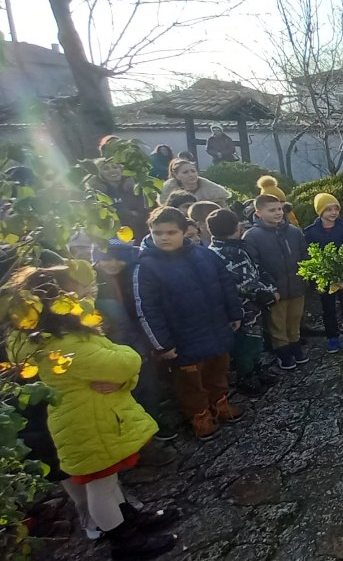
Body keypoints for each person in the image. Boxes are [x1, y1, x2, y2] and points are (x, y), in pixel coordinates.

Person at [8, 265, 177, 558]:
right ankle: (125, 543)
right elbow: (123, 362)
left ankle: (130, 521)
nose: (84, 295)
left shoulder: (42, 338)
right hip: (88, 424)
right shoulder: (65, 344)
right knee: (100, 487)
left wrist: (120, 372)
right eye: (77, 291)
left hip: (90, 418)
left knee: (108, 483)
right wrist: (126, 358)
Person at [133, 206, 245, 441]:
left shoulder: (204, 255)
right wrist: (162, 345)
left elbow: (226, 284)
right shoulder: (146, 267)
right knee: (190, 384)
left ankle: (219, 403)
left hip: (215, 328)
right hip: (183, 339)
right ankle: (199, 416)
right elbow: (146, 309)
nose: (164, 238)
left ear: (184, 231)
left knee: (218, 371)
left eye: (171, 232)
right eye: (158, 232)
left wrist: (234, 313)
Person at [93, 239, 176, 442]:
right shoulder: (93, 285)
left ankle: (153, 421)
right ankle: (137, 433)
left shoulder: (135, 276)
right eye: (107, 259)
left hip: (142, 344)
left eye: (119, 259)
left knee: (149, 386)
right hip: (115, 348)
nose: (113, 264)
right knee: (128, 393)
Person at [207, 209, 280, 397]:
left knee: (254, 341)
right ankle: (247, 378)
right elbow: (247, 283)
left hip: (242, 309)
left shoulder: (215, 250)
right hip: (245, 309)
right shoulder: (233, 252)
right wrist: (270, 294)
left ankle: (257, 370)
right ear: (236, 226)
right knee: (247, 344)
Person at [243, 194, 309, 370]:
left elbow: (305, 255)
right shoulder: (252, 236)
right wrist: (270, 288)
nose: (278, 213)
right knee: (277, 324)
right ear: (259, 212)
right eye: (271, 210)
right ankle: (283, 352)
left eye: (279, 209)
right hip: (275, 292)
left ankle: (296, 347)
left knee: (294, 320)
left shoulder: (294, 231)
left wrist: (305, 277)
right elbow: (254, 266)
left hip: (296, 286)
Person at [303, 193, 343, 354]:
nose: (333, 212)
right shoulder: (310, 232)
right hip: (324, 277)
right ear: (320, 212)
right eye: (328, 209)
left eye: (336, 209)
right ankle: (332, 336)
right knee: (328, 308)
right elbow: (308, 254)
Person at [92, 158, 150, 242]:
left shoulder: (135, 187)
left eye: (115, 167)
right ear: (99, 174)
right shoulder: (97, 193)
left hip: (142, 231)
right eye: (106, 169)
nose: (112, 171)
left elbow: (145, 208)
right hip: (115, 237)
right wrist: (129, 213)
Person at [158, 159, 229, 208]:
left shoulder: (215, 193)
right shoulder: (168, 194)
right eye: (185, 172)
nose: (191, 175)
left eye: (193, 171)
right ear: (176, 175)